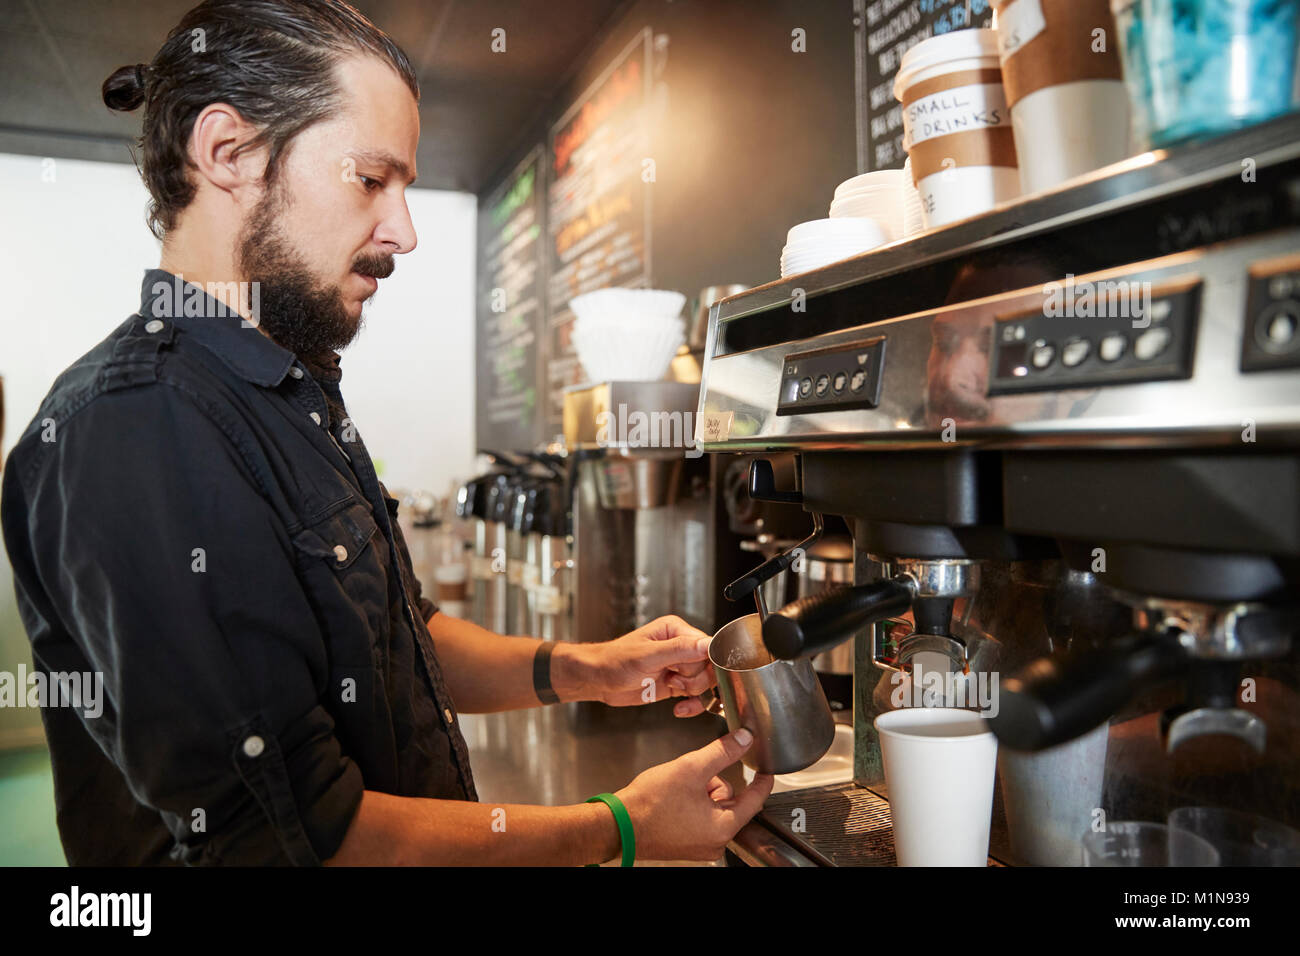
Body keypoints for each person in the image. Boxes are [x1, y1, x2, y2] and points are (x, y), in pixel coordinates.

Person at [0, 0, 772, 866]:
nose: (402, 232)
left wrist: (584, 668)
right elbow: (303, 841)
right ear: (227, 153)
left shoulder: (288, 388)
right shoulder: (138, 426)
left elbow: (395, 634)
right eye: (371, 180)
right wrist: (620, 826)